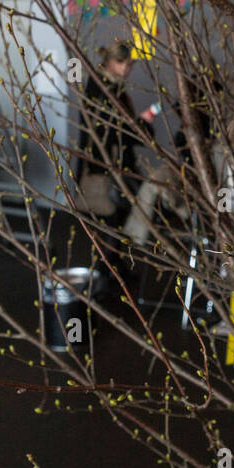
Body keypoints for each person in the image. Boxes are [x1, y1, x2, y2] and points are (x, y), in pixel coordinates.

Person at [75, 40, 153, 294]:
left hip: (109, 164)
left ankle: (109, 268)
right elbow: (112, 131)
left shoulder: (104, 87)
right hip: (108, 166)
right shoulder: (105, 89)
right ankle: (104, 271)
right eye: (122, 62)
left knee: (116, 219)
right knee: (113, 218)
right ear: (109, 62)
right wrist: (141, 126)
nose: (127, 68)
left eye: (130, 63)